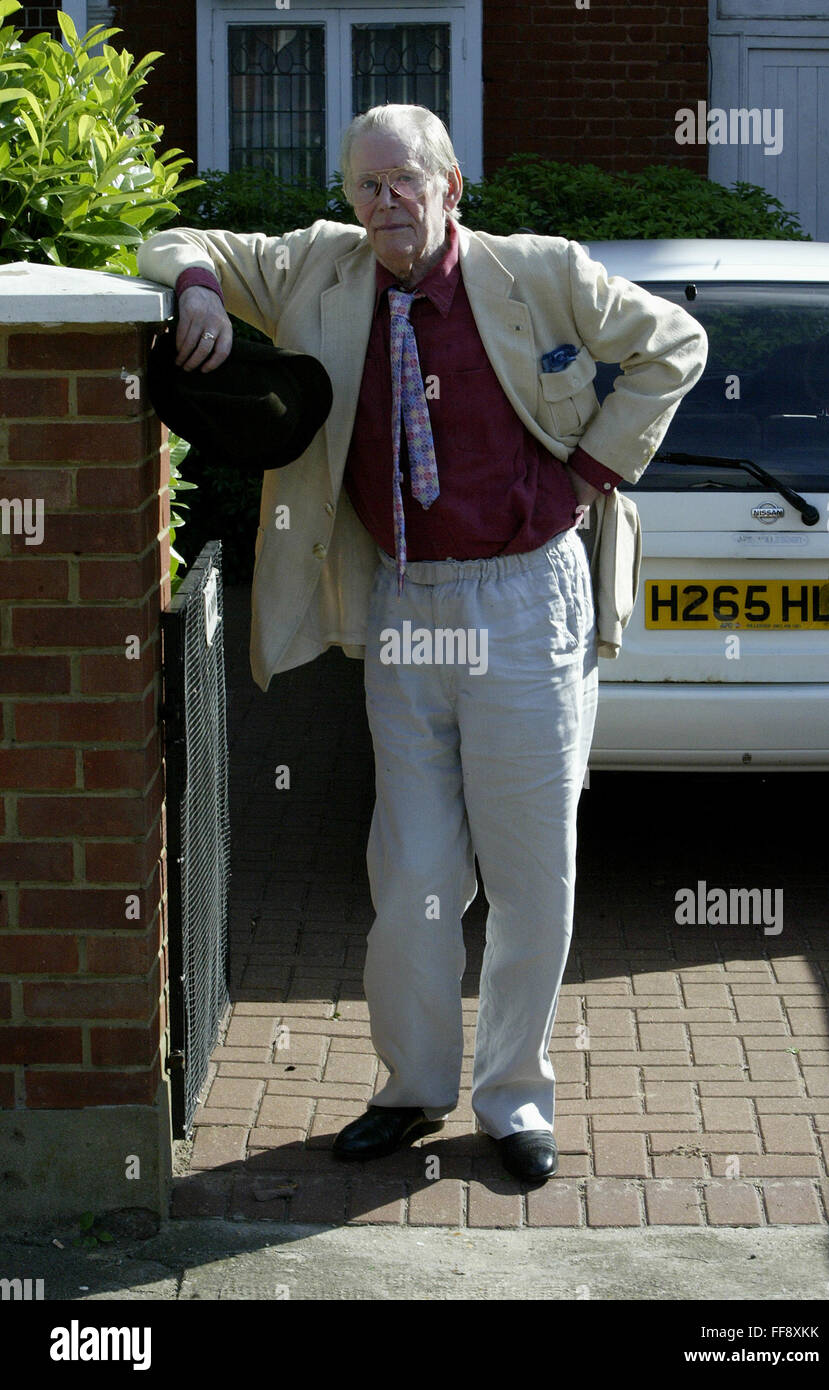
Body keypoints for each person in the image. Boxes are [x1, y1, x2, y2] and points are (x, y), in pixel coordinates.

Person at [138, 104, 707, 1183]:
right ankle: (410, 1088)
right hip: (402, 604)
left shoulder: (536, 274)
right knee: (409, 876)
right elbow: (180, 240)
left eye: (403, 182)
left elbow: (673, 346)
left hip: (524, 598)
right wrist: (201, 290)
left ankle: (514, 1100)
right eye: (364, 186)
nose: (384, 204)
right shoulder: (323, 268)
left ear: (452, 186)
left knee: (530, 870)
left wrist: (585, 474)